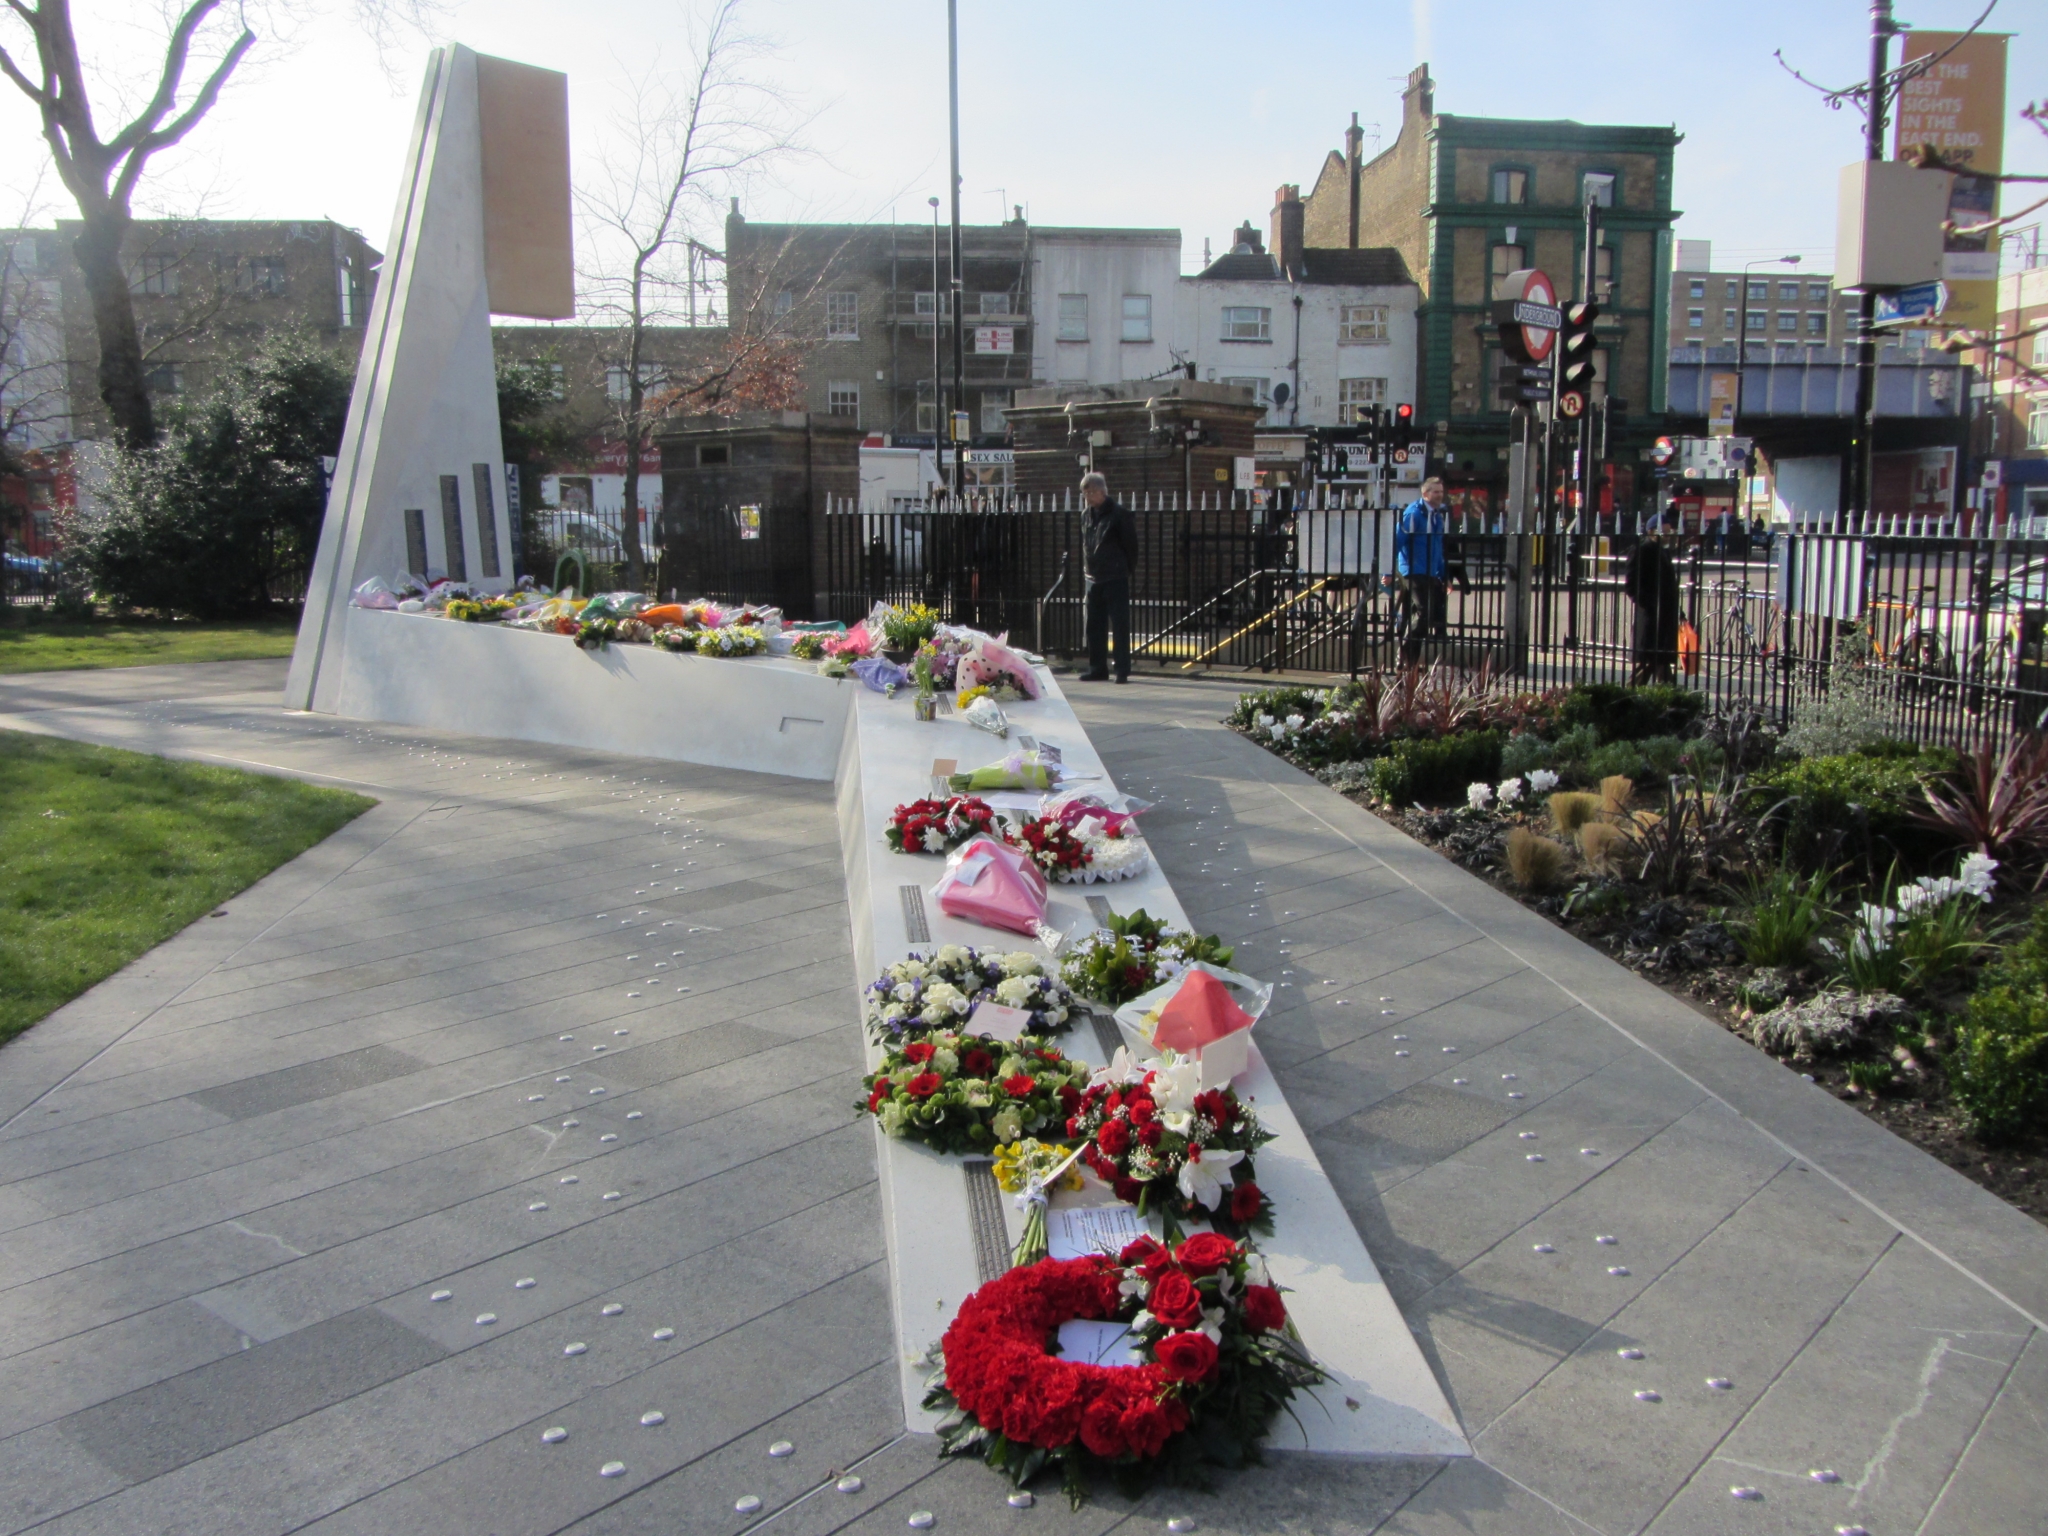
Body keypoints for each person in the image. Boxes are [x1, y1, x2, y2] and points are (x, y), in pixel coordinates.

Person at [1079, 471, 1136, 683]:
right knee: (1094, 625)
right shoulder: (1086, 515)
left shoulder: (1119, 514)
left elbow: (1131, 546)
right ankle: (1097, 668)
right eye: (1085, 493)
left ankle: (1122, 669)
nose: (1087, 497)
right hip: (1092, 577)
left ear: (1102, 491)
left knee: (1119, 624)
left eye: (1090, 492)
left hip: (1115, 576)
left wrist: (1124, 569)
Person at [1394, 477, 1449, 665]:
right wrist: (1387, 571)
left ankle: (1410, 662)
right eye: (1435, 492)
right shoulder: (1413, 514)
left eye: (1441, 492)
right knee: (1424, 612)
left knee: (1423, 616)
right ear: (1425, 494)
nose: (1440, 495)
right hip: (1413, 569)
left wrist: (1443, 574)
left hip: (1430, 571)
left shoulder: (1437, 516)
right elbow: (1397, 541)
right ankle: (1404, 652)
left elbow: (1437, 548)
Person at [1623, 532, 1683, 684]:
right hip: (1650, 614)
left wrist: (1678, 611)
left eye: (1670, 532)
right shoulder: (1642, 549)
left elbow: (1669, 584)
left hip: (1665, 613)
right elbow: (1631, 583)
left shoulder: (1664, 551)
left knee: (1661, 658)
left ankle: (1667, 692)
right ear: (1651, 531)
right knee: (1651, 658)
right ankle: (1631, 693)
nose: (1668, 535)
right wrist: (1647, 603)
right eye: (1664, 532)